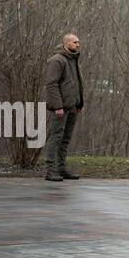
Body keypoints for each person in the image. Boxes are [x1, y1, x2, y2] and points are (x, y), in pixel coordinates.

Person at [44, 34, 85, 181]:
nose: (78, 44)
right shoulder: (57, 60)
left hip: (73, 107)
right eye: (75, 42)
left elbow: (76, 84)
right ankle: (51, 170)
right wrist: (58, 106)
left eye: (78, 42)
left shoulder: (73, 60)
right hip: (61, 108)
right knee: (56, 138)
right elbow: (51, 85)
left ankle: (61, 168)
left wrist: (79, 103)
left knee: (65, 139)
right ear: (67, 43)